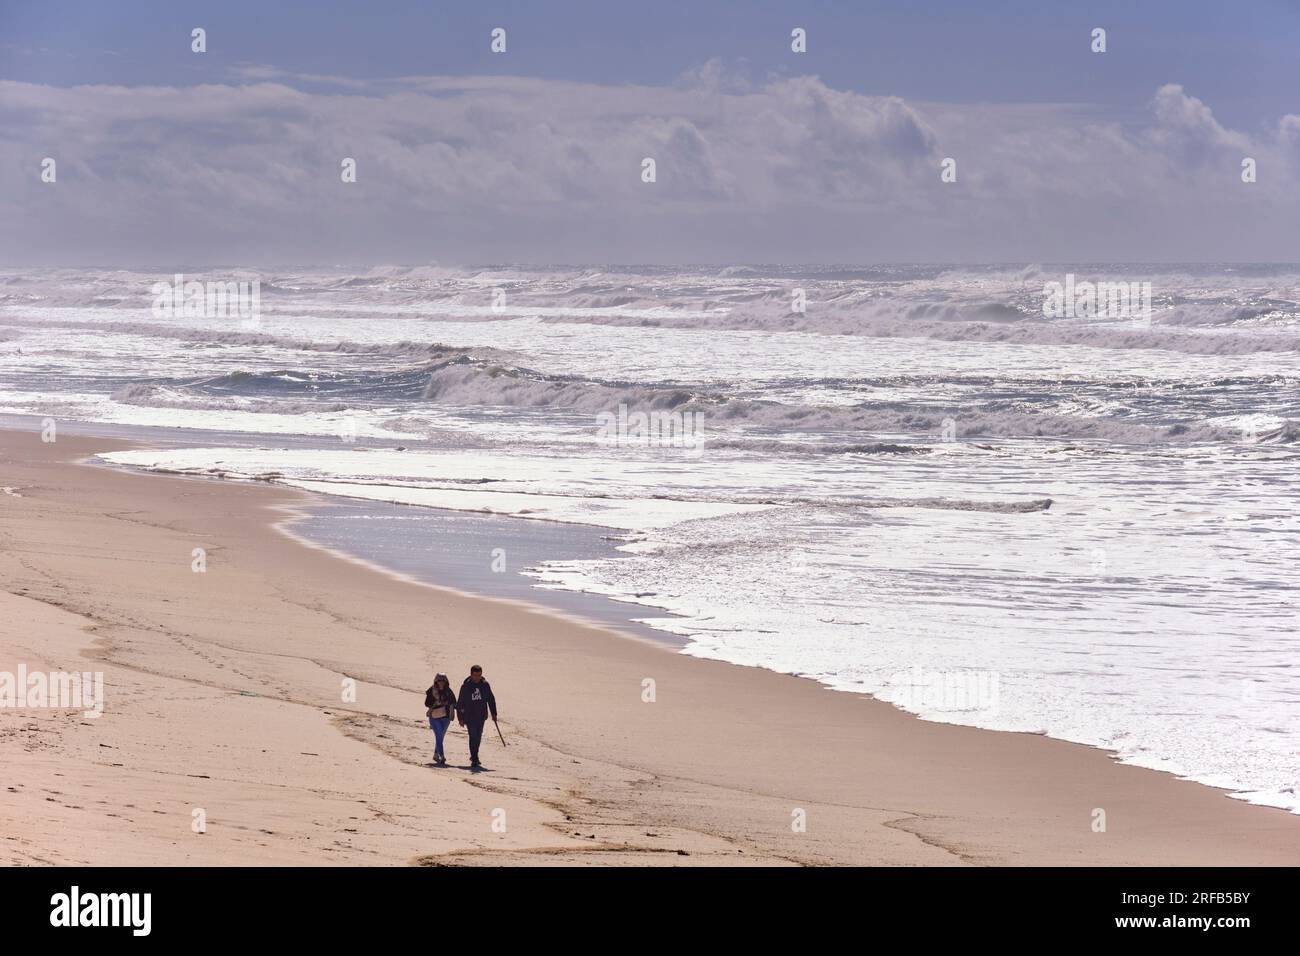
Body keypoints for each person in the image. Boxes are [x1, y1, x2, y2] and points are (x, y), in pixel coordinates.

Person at [456, 665, 498, 769]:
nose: (477, 677)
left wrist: (494, 713)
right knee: (473, 736)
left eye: (479, 675)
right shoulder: (465, 686)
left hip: (481, 716)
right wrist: (460, 718)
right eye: (475, 675)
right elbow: (460, 702)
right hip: (469, 716)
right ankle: (474, 758)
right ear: (471, 674)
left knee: (478, 737)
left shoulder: (485, 685)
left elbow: (491, 699)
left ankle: (475, 755)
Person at [424, 673, 457, 766]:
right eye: (439, 681)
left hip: (446, 718)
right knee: (439, 736)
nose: (441, 683)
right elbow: (426, 703)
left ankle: (435, 755)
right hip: (434, 717)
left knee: (440, 737)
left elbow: (454, 702)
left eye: (443, 681)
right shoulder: (432, 690)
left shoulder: (448, 691)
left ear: (446, 682)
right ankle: (442, 756)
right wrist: (436, 702)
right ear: (436, 681)